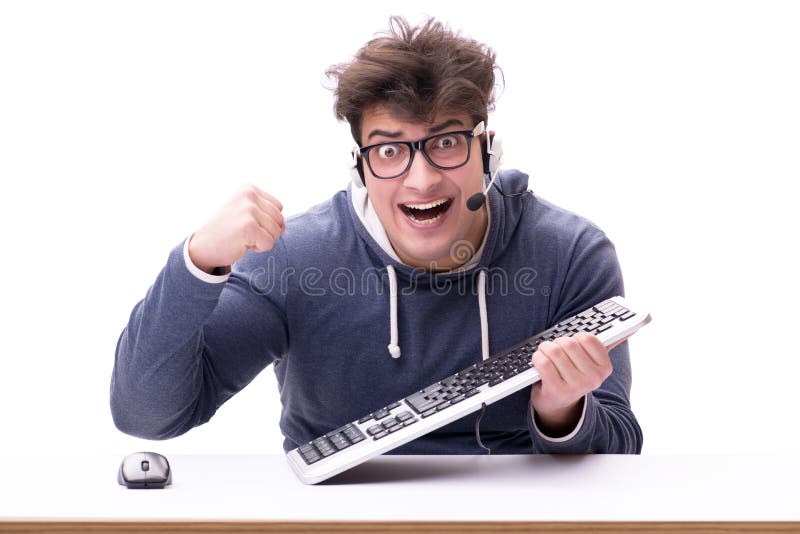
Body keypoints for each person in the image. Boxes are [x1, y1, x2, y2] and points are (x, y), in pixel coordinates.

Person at [111, 16, 643, 455]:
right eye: (389, 150)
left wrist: (561, 411)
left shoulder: (569, 253)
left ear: (488, 151)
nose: (423, 178)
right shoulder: (293, 260)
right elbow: (147, 415)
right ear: (361, 168)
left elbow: (622, 449)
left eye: (447, 143)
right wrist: (198, 263)